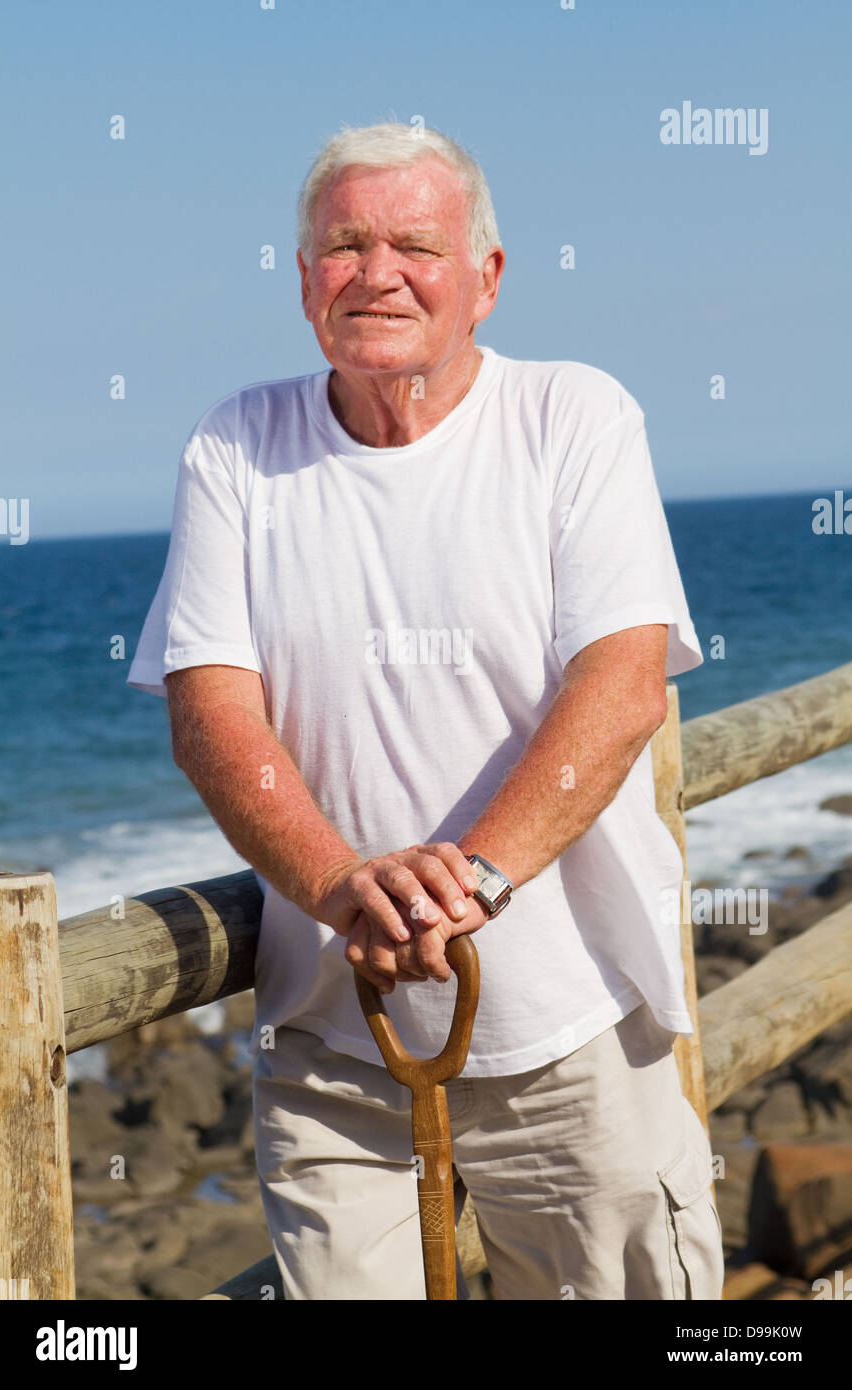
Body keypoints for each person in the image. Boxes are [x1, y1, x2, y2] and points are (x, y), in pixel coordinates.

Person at [128, 121, 725, 1301]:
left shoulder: (574, 418)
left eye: (415, 243)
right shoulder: (234, 444)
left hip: (568, 1032)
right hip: (332, 1043)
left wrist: (473, 886)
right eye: (343, 245)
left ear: (485, 278)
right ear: (304, 279)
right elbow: (211, 713)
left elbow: (619, 688)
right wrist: (341, 886)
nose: (377, 271)